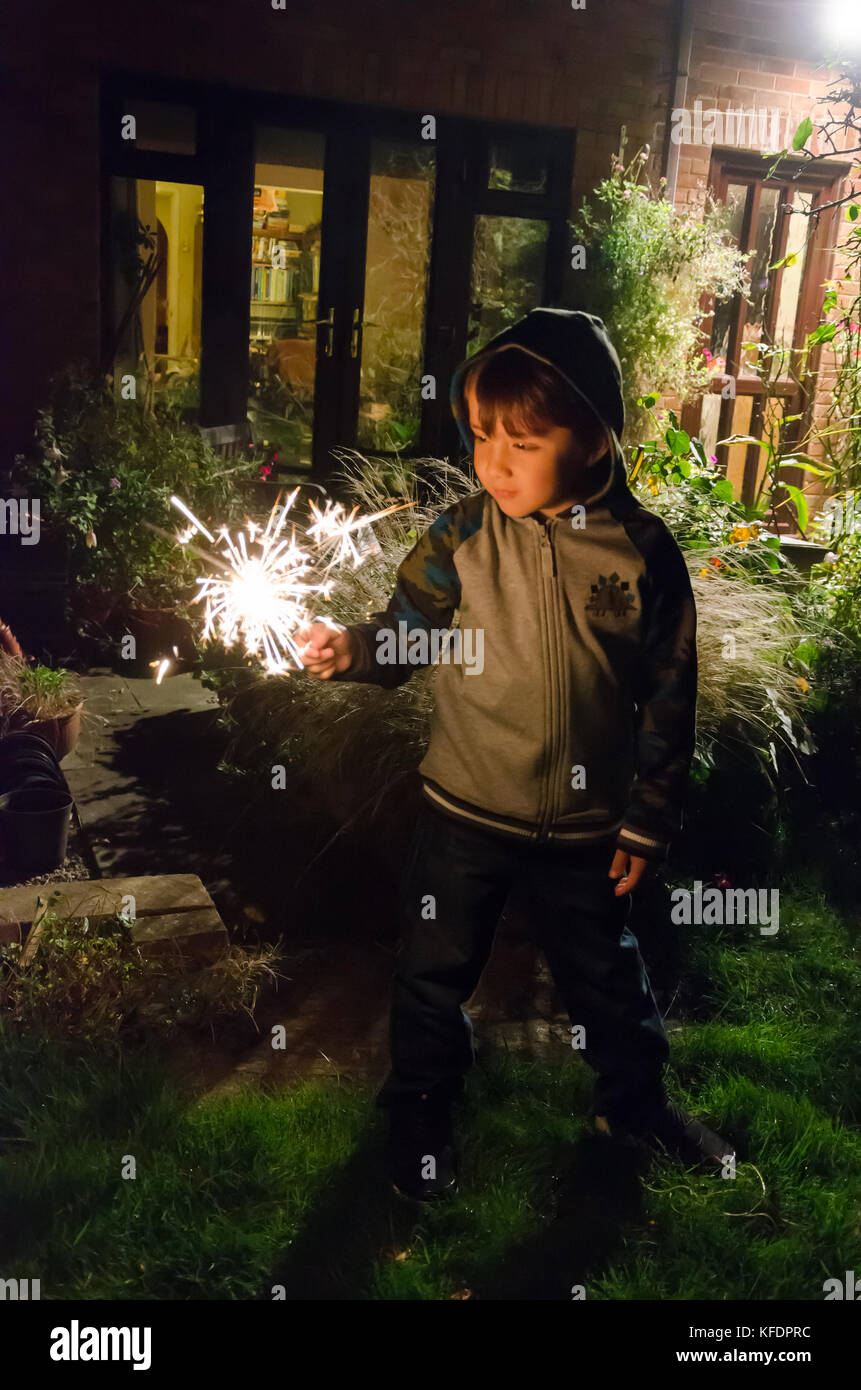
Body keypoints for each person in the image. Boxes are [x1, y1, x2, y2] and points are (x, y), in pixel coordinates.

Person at [296, 308, 735, 1202]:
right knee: (431, 974)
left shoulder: (642, 553)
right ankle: (418, 1115)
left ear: (592, 437)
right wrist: (354, 650)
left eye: (522, 440)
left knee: (606, 977)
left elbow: (667, 693)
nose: (492, 460)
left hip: (585, 826)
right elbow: (408, 637)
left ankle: (634, 1105)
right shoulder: (459, 538)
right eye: (482, 435)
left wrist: (645, 823)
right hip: (462, 810)